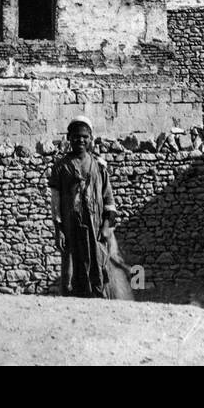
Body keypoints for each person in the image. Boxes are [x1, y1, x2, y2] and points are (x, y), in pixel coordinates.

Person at [48, 116, 119, 298]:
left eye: (84, 136)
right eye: (76, 136)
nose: (80, 140)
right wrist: (59, 230)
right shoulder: (60, 167)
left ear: (90, 139)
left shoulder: (99, 167)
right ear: (69, 138)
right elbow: (56, 204)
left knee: (97, 266)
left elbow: (108, 199)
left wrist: (105, 227)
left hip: (94, 228)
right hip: (71, 228)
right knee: (72, 271)